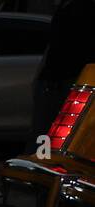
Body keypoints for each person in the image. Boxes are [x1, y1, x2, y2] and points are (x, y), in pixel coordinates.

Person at [32, 0, 95, 139]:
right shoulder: (65, 8)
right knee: (45, 130)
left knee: (54, 131)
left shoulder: (82, 8)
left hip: (69, 80)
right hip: (55, 79)